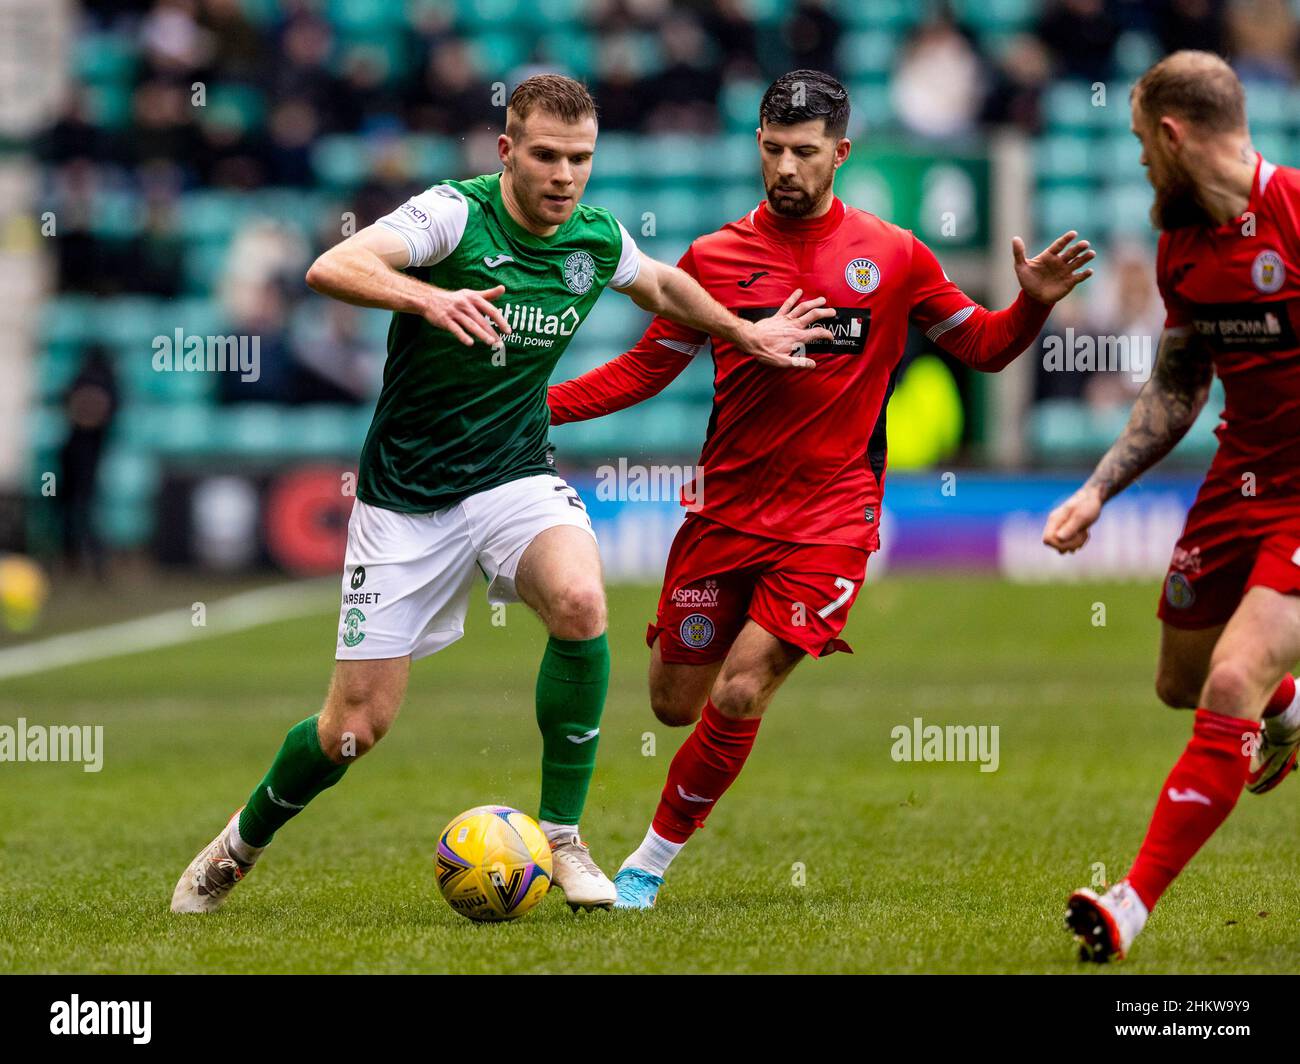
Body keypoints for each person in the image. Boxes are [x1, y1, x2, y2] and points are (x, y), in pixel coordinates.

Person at [171, 73, 830, 915]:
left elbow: (661, 286)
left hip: (513, 474)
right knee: (352, 731)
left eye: (581, 159)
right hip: (405, 498)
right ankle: (239, 843)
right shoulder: (453, 214)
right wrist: (428, 295)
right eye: (547, 156)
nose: (564, 176)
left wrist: (743, 330)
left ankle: (563, 838)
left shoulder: (594, 238)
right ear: (506, 151)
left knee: (582, 599)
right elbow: (333, 265)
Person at [547, 69, 1093, 909]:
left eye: (805, 152)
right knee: (672, 703)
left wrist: (1030, 308)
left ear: (841, 153)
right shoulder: (713, 258)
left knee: (739, 688)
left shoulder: (896, 256)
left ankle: (646, 867)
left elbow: (983, 348)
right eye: (773, 150)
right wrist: (535, 407)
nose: (787, 168)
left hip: (831, 517)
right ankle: (661, 825)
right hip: (723, 514)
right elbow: (644, 371)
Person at [1044, 51, 1300, 961]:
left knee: (1231, 683)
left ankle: (1130, 903)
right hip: (1241, 480)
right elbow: (1181, 383)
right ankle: (1291, 706)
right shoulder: (1180, 244)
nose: (1141, 164)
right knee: (1182, 684)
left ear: (1172, 134)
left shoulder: (1298, 215)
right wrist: (1096, 489)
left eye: (1140, 144)